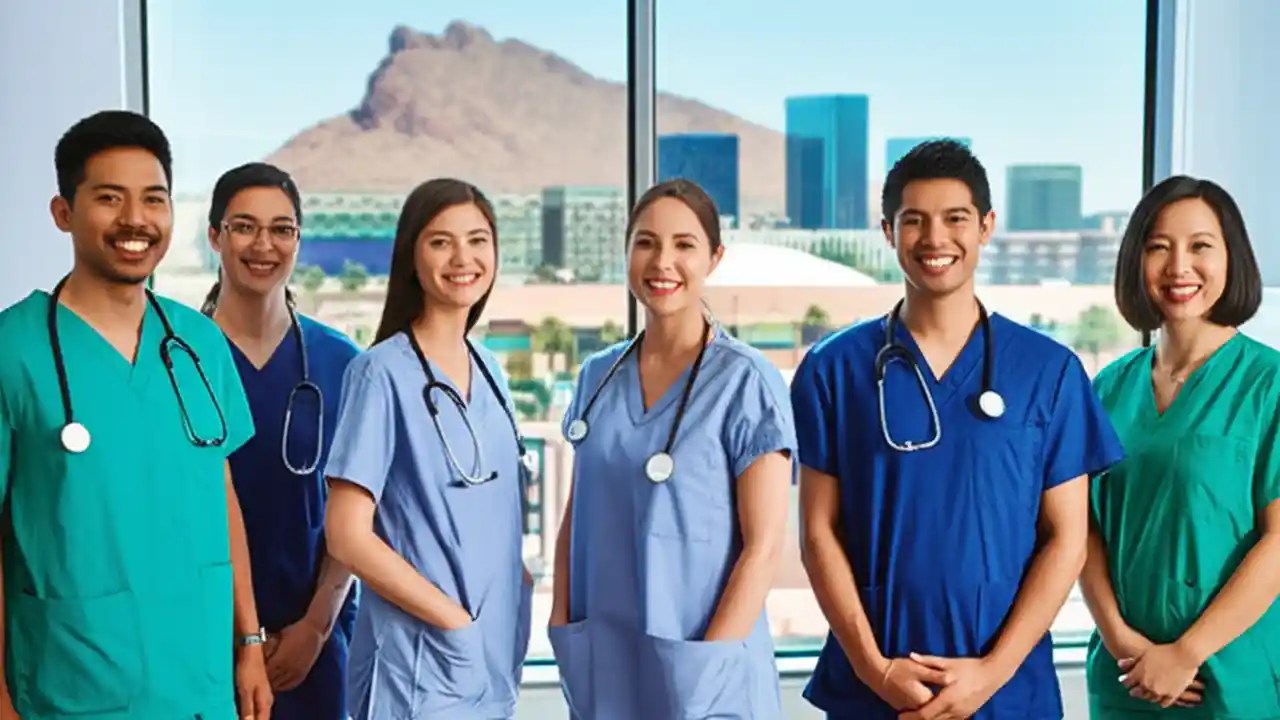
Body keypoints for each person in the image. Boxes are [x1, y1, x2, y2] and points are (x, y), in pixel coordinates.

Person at [792, 139, 1125, 720]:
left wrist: (990, 675)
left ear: (987, 226)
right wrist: (876, 668)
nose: (935, 238)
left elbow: (1067, 540)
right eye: (913, 220)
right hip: (877, 684)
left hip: (1005, 690)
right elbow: (818, 532)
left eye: (955, 219)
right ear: (888, 232)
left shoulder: (1049, 371)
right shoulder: (835, 369)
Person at [0, 110, 272, 718]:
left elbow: (219, 491)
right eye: (109, 198)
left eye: (154, 199)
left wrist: (250, 641)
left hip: (199, 685)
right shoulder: (12, 350)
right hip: (68, 688)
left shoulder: (198, 343)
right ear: (63, 212)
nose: (135, 220)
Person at [548, 179, 796, 719]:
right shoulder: (597, 375)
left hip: (707, 673)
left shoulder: (745, 381)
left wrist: (703, 674)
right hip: (607, 663)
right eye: (645, 242)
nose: (663, 261)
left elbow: (764, 547)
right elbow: (577, 512)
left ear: (714, 257)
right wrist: (561, 621)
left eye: (684, 244)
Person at [323, 178, 533, 719]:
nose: (463, 257)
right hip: (420, 659)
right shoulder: (379, 373)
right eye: (441, 242)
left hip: (489, 656)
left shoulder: (490, 371)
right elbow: (346, 535)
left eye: (478, 239)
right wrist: (449, 618)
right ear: (411, 258)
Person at [1081, 175, 1280, 718]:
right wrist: (1119, 639)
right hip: (1125, 677)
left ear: (1232, 259)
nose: (1178, 267)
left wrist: (1187, 653)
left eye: (1200, 247)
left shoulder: (1270, 384)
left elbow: (1279, 542)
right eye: (1158, 247)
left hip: (1229, 679)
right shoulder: (1108, 389)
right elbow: (1083, 529)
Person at [201, 162, 361, 719]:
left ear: (298, 238)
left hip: (312, 641)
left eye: (282, 229)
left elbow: (356, 510)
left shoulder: (341, 362)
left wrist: (316, 628)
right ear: (215, 235)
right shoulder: (178, 357)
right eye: (244, 226)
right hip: (201, 638)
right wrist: (242, 638)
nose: (263, 245)